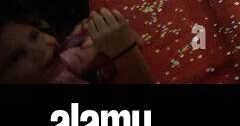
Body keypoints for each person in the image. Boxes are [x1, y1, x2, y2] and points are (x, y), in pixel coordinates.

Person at [0, 8, 153, 83]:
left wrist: (102, 41)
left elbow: (77, 56)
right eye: (16, 58)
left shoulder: (52, 70)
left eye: (34, 36)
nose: (39, 50)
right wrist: (125, 52)